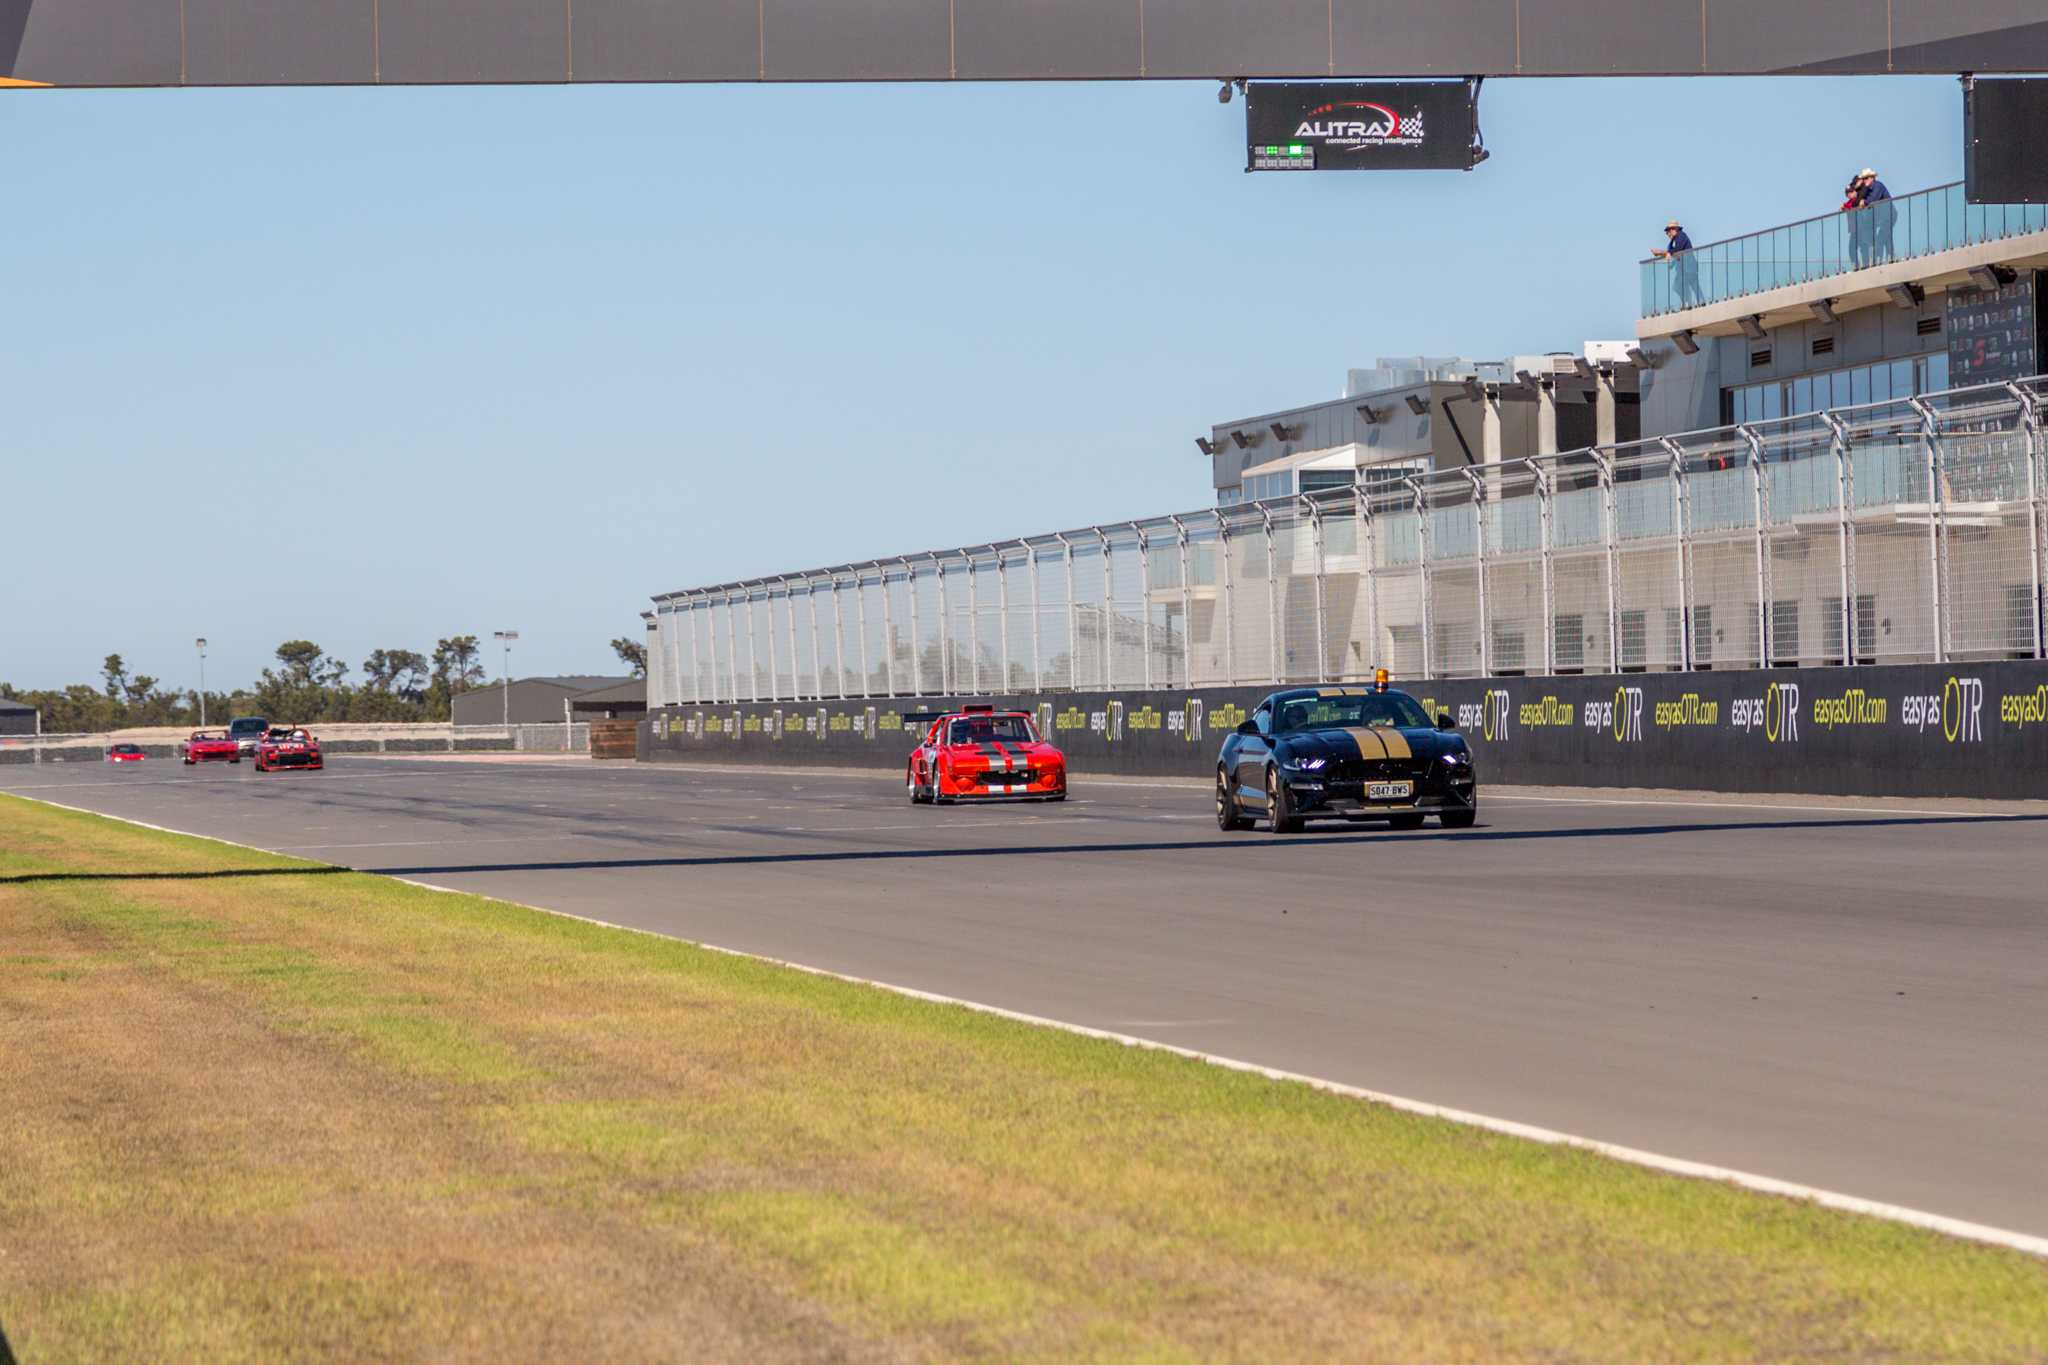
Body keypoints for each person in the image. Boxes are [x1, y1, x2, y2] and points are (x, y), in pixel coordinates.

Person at [1652, 218, 1704, 308]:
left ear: (1673, 229)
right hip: (1683, 268)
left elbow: (1677, 250)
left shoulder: (1681, 236)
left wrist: (1662, 252)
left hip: (1689, 267)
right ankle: (1689, 302)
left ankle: (1697, 302)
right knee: (1679, 286)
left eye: (1668, 231)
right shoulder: (1674, 240)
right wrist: (1668, 261)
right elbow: (1674, 254)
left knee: (1691, 285)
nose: (1667, 234)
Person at [1858, 168, 1896, 263]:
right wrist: (1861, 189)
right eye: (1863, 178)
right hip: (1883, 217)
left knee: (1881, 237)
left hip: (1889, 215)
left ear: (1872, 178)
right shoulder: (1868, 189)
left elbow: (1873, 198)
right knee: (1886, 236)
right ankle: (1889, 257)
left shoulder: (1878, 185)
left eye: (1866, 178)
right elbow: (1859, 199)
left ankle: (1880, 259)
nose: (1864, 180)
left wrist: (1864, 202)